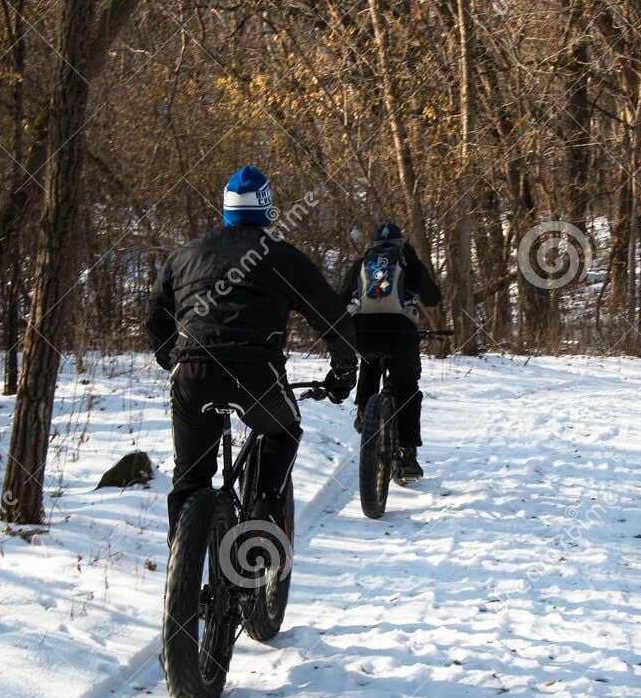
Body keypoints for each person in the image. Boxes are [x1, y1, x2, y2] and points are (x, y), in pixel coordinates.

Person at [145, 166, 357, 538]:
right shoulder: (283, 257)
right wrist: (343, 371)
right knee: (284, 430)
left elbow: (154, 317)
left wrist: (172, 360)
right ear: (267, 211)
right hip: (256, 375)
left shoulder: (185, 255)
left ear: (226, 208)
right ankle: (265, 511)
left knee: (189, 479)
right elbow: (333, 319)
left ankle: (183, 563)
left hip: (191, 374)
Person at [340, 222, 442, 480]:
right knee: (406, 388)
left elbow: (340, 299)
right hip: (400, 333)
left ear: (374, 244)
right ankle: (407, 456)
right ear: (400, 240)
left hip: (362, 331)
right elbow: (433, 298)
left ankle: (365, 414)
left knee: (370, 362)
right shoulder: (408, 259)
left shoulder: (363, 262)